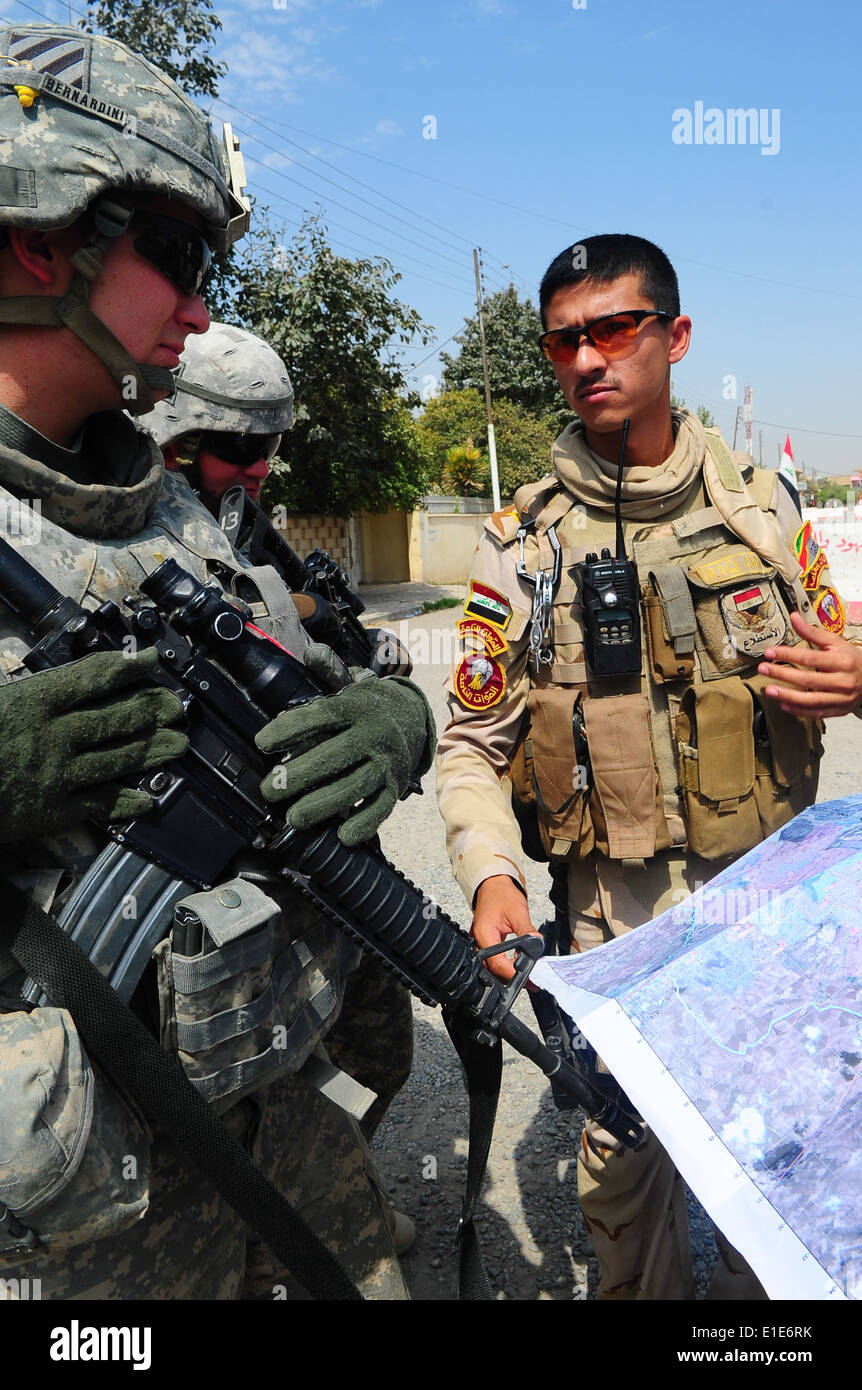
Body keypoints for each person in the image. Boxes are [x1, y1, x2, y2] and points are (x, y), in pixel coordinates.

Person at [0, 23, 434, 1299]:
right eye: (180, 255)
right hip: (87, 1227)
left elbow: (315, 687)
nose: (200, 305)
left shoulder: (174, 511)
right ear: (42, 238)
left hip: (281, 1139)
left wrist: (390, 720)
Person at [435, 233, 862, 1300]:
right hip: (612, 939)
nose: (589, 359)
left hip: (769, 928)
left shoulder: (765, 511)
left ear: (672, 337)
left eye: (615, 329)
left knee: (784, 1168)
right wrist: (490, 874)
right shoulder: (520, 546)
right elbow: (470, 745)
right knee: (625, 1187)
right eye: (564, 340)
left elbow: (835, 653)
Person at [147, 321, 416, 1143]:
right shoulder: (121, 525)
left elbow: (341, 649)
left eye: (270, 444)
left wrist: (381, 691)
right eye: (238, 446)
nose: (260, 466)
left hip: (299, 835)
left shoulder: (237, 522)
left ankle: (333, 1195)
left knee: (376, 1047)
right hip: (188, 867)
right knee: (220, 1092)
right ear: (171, 436)